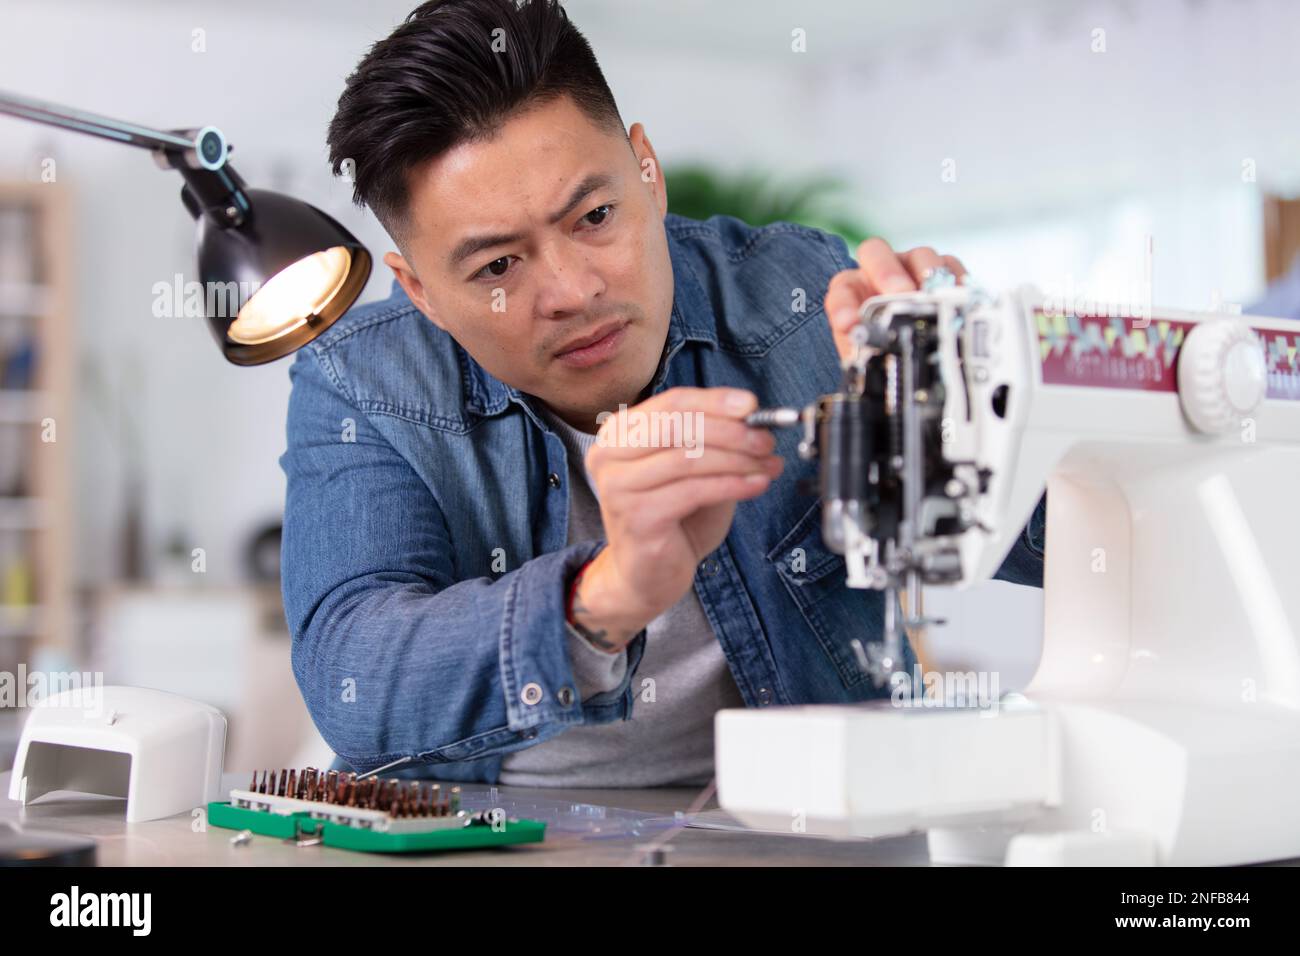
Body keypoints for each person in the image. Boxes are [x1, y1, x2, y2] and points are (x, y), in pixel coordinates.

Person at [280, 0, 1046, 787]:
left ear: (648, 170)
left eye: (597, 216)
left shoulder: (801, 300)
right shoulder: (363, 384)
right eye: (498, 268)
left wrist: (970, 414)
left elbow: (1062, 545)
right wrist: (609, 593)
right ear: (422, 292)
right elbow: (355, 680)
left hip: (811, 830)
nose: (574, 291)